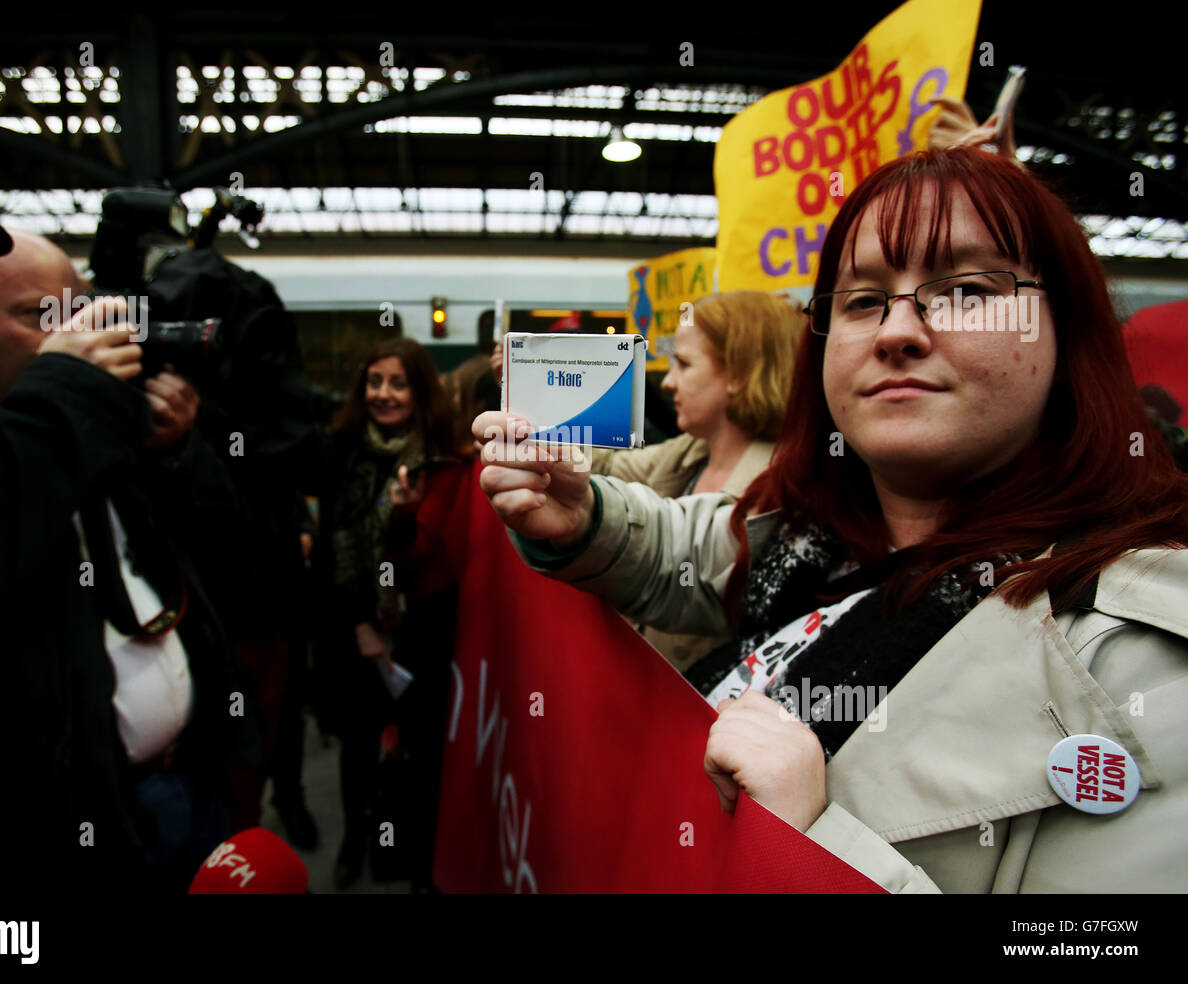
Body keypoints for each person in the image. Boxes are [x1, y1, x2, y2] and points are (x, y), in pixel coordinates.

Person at [473, 148, 1188, 893]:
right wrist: (580, 512)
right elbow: (681, 552)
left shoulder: (1140, 655)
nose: (896, 331)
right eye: (861, 300)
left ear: (1070, 334)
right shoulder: (809, 534)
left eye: (967, 289)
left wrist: (812, 848)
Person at [0, 230, 249, 894]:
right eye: (38, 315)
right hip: (50, 827)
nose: (75, 334)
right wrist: (60, 392)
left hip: (189, 781)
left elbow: (226, 550)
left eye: (78, 310)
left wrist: (176, 453)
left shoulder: (92, 409)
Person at [583, 291, 802, 672]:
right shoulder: (687, 452)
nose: (668, 383)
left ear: (740, 374)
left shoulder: (785, 490)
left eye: (683, 364)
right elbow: (605, 466)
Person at [323, 336, 465, 889]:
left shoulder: (446, 456)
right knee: (357, 747)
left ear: (420, 389)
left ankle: (417, 859)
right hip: (355, 624)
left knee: (423, 748)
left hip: (424, 629)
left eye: (398, 382)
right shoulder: (341, 448)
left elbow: (429, 556)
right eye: (374, 382)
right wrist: (361, 624)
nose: (384, 394)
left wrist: (406, 519)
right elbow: (336, 545)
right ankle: (354, 842)